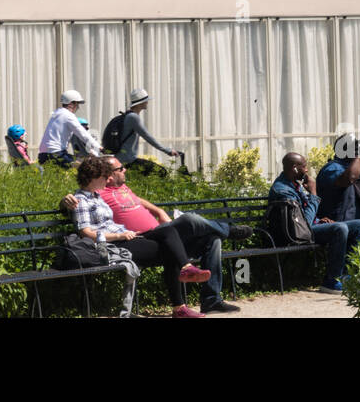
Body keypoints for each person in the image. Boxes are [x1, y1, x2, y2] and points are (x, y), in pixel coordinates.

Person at [61, 156, 252, 314]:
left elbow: (132, 202)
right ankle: (182, 300)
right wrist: (65, 201)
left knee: (209, 239)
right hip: (122, 241)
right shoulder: (91, 196)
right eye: (116, 170)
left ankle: (207, 298)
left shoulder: (104, 193)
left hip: (141, 235)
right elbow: (83, 227)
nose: (122, 171)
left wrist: (159, 211)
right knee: (187, 222)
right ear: (97, 176)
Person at [268, 152, 360, 293]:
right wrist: (314, 193)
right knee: (340, 228)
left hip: (304, 228)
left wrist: (318, 220)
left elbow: (303, 216)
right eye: (304, 166)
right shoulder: (283, 190)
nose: (307, 170)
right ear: (295, 168)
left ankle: (348, 275)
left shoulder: (293, 184)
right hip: (294, 234)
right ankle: (332, 280)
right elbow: (305, 225)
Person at [110, 88, 180, 173]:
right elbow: (148, 137)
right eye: (146, 100)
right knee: (161, 172)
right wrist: (167, 150)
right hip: (128, 161)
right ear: (140, 103)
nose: (147, 102)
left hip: (123, 159)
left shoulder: (128, 116)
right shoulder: (133, 117)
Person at [317, 133, 360, 225]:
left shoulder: (359, 171)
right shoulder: (332, 168)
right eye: (353, 146)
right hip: (341, 227)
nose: (356, 149)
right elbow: (350, 178)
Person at [37, 90, 102, 167]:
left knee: (52, 177)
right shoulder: (68, 115)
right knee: (85, 168)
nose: (78, 107)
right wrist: (99, 147)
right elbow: (83, 134)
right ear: (71, 104)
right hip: (57, 154)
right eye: (77, 104)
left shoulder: (56, 113)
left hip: (43, 154)